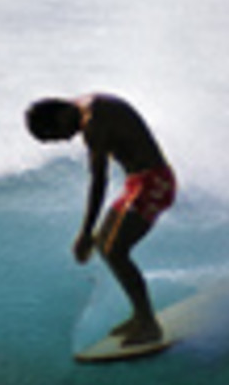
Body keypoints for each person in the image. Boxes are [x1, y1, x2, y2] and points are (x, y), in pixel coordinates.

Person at [25, 93, 177, 346]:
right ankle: (140, 316)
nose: (66, 139)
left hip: (154, 184)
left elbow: (99, 181)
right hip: (137, 183)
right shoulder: (86, 105)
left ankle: (149, 325)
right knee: (105, 245)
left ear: (61, 114)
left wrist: (85, 232)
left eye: (59, 134)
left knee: (116, 250)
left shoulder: (94, 122)